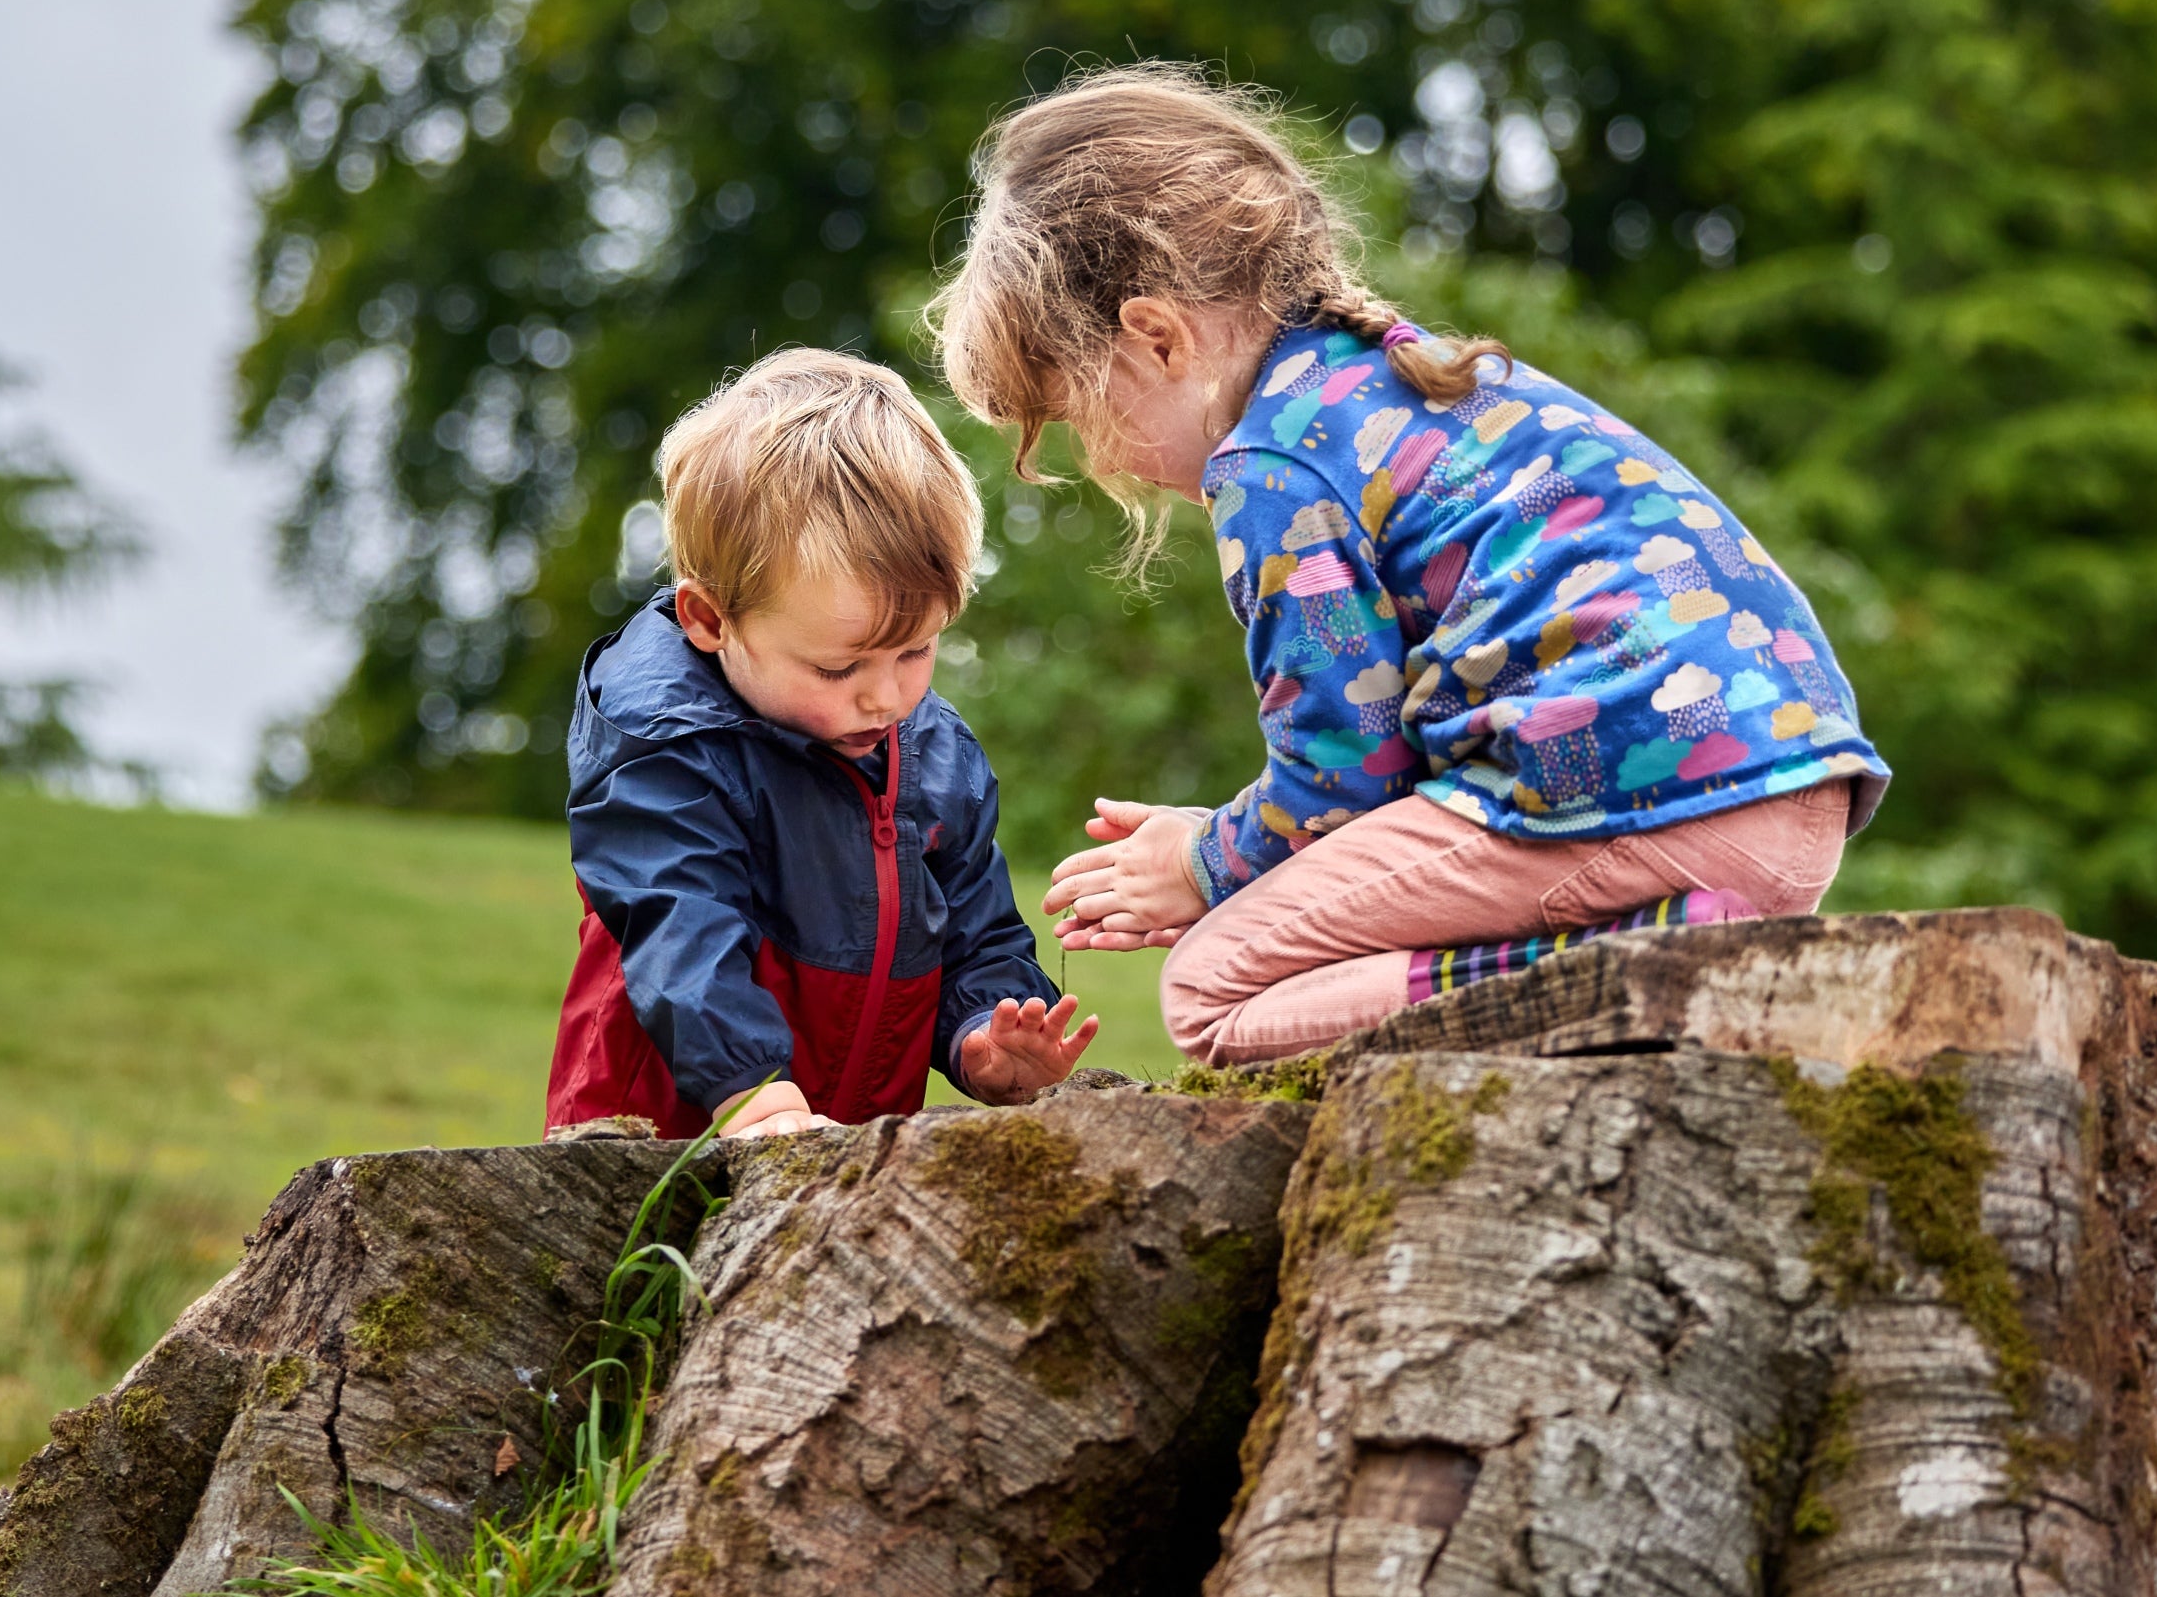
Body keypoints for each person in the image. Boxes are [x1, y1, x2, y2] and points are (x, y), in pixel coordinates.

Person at [929, 63, 1892, 1064]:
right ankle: (1653, 951)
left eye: (1081, 417)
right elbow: (1379, 773)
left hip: (1634, 790)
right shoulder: (1375, 381)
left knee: (1211, 993)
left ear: (1157, 339)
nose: (1104, 464)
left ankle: (1662, 961)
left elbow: (1347, 777)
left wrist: (1206, 862)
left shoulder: (1272, 468)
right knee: (1284, 953)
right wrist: (1229, 849)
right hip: (1779, 776)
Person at [546, 347, 1097, 1139]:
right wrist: (753, 1090)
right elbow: (681, 933)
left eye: (915, 651)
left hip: (852, 1155)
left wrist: (985, 1029)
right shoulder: (666, 748)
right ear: (709, 620)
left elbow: (976, 931)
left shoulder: (935, 758)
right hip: (660, 1139)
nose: (886, 696)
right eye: (839, 667)